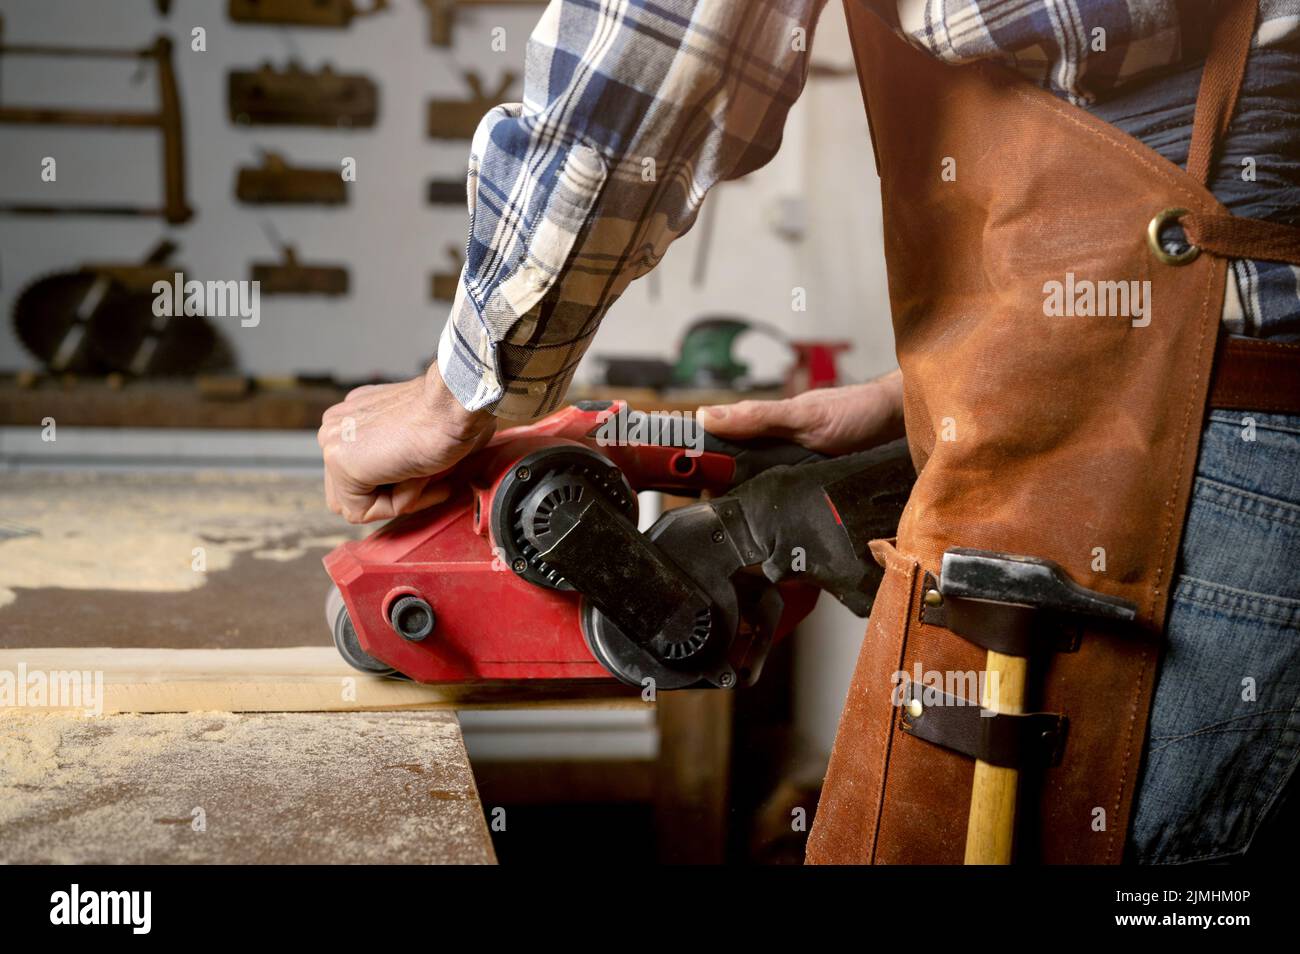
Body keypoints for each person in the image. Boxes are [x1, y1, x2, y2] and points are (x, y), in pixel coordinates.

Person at [319, 1, 1300, 863]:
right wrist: (921, 390)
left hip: (1181, 475)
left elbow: (659, 33)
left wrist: (464, 385)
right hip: (1203, 430)